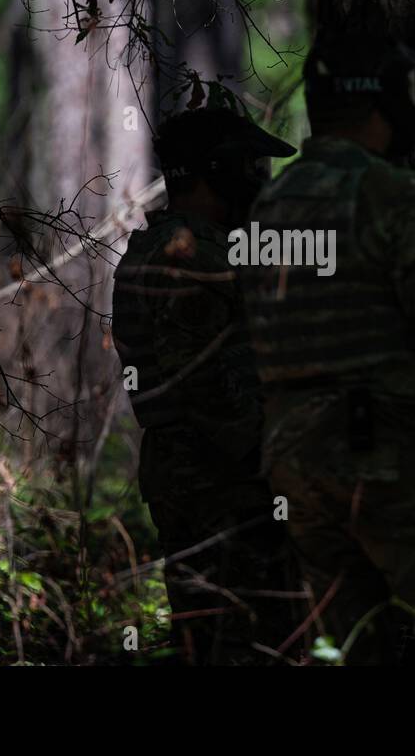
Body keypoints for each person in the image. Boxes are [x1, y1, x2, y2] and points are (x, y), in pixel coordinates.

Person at [239, 35, 415, 665]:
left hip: (294, 462)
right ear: (383, 104)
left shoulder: (267, 208)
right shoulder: (400, 197)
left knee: (356, 643)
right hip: (388, 447)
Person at [111, 107, 296, 664]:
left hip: (205, 475)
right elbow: (200, 381)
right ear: (216, 171)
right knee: (244, 639)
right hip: (221, 482)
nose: (258, 179)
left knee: (220, 636)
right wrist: (271, 455)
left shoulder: (194, 245)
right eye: (248, 166)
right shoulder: (185, 253)